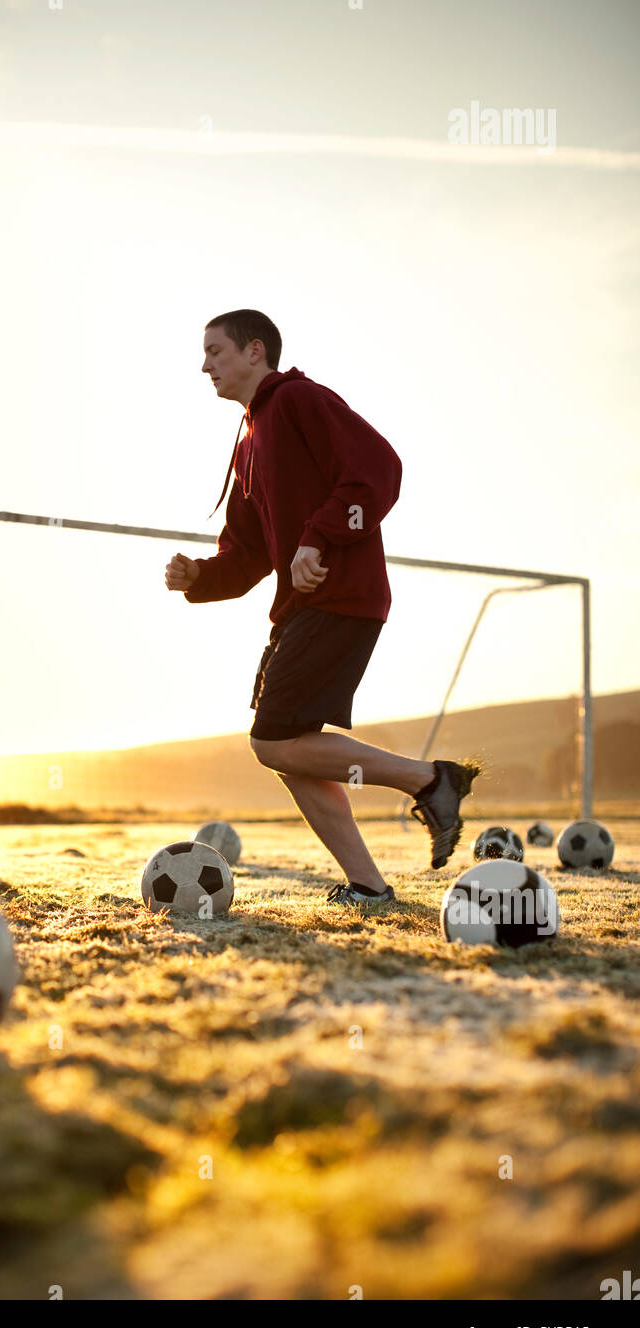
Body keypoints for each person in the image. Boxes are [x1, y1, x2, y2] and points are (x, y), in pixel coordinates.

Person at [165, 309, 479, 912]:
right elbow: (247, 554)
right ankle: (369, 886)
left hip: (344, 596)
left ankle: (431, 780)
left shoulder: (300, 400)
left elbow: (379, 472)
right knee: (292, 750)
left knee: (274, 742)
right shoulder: (249, 443)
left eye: (215, 351)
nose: (205, 365)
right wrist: (198, 576)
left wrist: (319, 536)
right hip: (299, 609)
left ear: (255, 351)